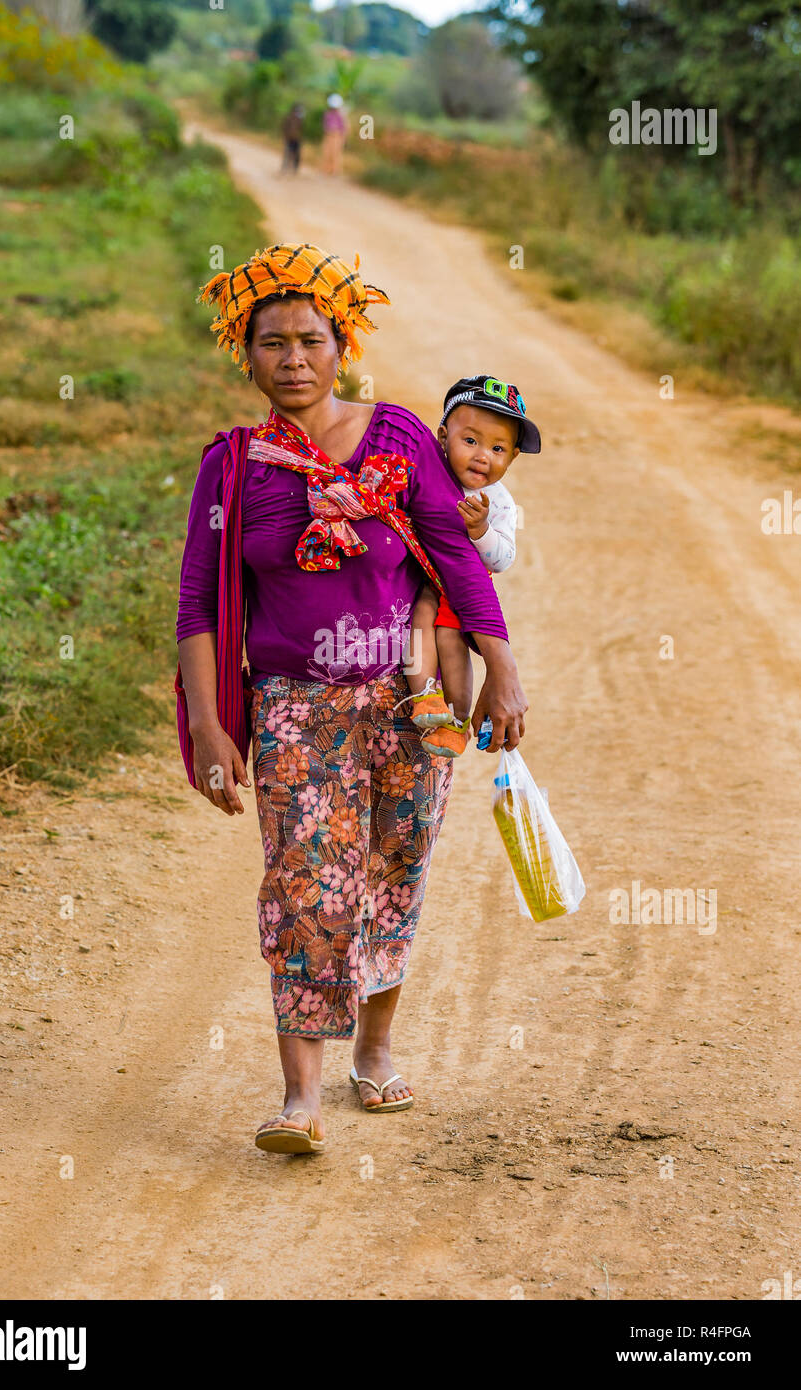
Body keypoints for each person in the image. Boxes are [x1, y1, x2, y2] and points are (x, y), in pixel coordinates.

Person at [174, 243, 528, 1155]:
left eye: (310, 340)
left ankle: (373, 1050)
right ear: (244, 355)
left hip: (413, 705)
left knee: (391, 875)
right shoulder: (234, 466)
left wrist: (502, 666)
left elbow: (452, 552)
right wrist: (212, 725)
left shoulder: (402, 437)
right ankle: (301, 1098)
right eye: (271, 343)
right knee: (307, 888)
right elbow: (197, 604)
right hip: (296, 707)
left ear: (342, 347)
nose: (293, 359)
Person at [402, 375, 542, 758]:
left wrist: (480, 531)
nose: (483, 456)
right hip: (423, 581)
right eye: (471, 441)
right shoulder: (427, 474)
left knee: (450, 641)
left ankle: (457, 721)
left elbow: (504, 558)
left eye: (498, 448)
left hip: (462, 589)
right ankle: (426, 699)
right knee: (419, 620)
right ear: (443, 436)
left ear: (513, 457)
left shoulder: (497, 501)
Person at [321, 93, 348, 177]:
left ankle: (335, 171)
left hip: (337, 136)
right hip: (328, 135)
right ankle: (327, 170)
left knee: (336, 154)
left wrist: (343, 138)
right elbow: (325, 125)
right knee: (327, 153)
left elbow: (344, 127)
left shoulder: (341, 115)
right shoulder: (327, 114)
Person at [280, 103, 305, 176]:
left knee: (297, 154)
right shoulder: (288, 118)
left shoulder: (300, 120)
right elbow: (284, 128)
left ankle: (295, 169)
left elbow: (301, 130)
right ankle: (285, 168)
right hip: (289, 139)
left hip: (297, 139)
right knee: (287, 153)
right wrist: (285, 137)